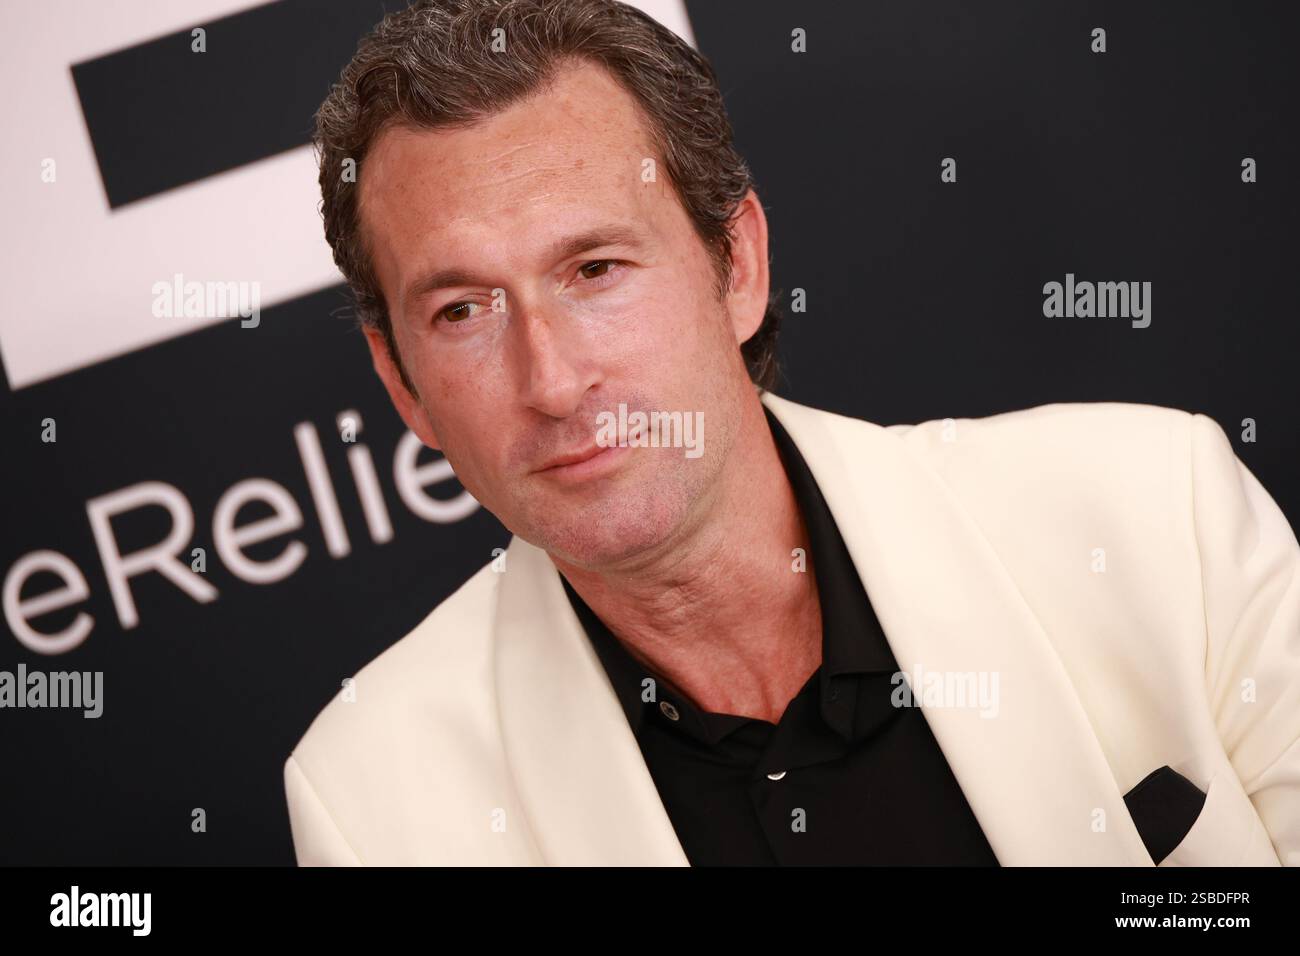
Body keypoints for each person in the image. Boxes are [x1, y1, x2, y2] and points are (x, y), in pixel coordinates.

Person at [284, 0, 1299, 865]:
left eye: (595, 270)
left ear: (738, 265)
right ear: (401, 383)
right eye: (463, 310)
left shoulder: (1156, 512)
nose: (549, 380)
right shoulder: (375, 801)